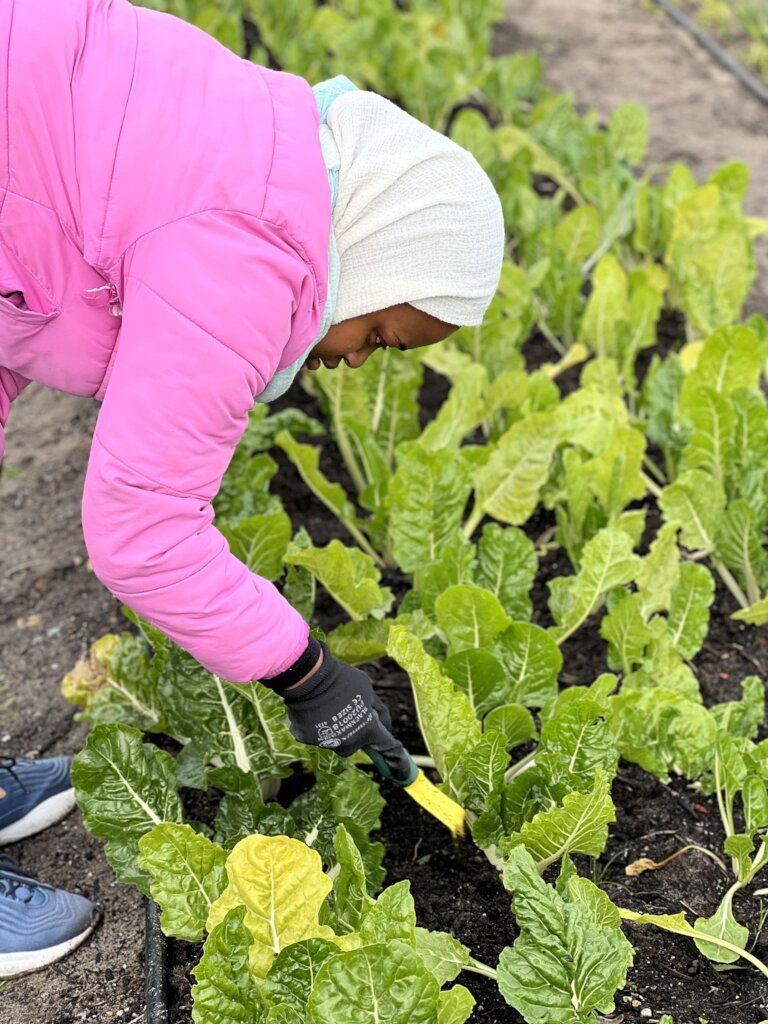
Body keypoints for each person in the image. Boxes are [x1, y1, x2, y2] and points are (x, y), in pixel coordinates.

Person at [0, 0, 504, 974]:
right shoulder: (253, 249)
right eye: (384, 336)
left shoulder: (248, 142)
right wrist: (308, 672)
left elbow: (35, 246)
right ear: (377, 254)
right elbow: (140, 527)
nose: (356, 359)